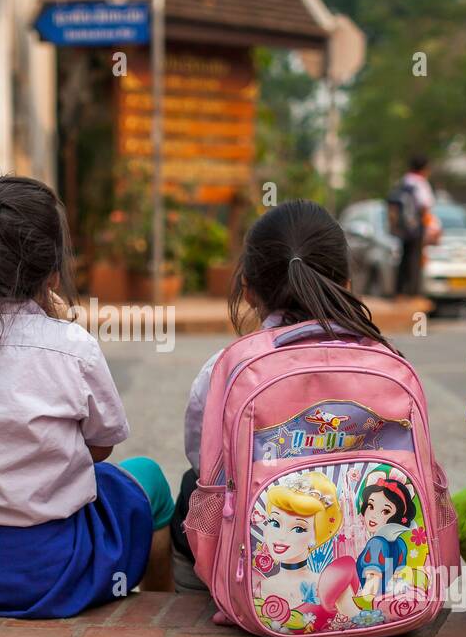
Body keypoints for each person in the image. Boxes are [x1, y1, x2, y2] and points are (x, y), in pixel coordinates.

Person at [0, 176, 174, 618]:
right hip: (54, 573)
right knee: (147, 477)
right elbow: (101, 447)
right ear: (53, 271)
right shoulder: (73, 347)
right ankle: (159, 606)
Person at [169, 200, 398, 590]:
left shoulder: (225, 369)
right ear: (346, 284)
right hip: (367, 557)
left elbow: (205, 464)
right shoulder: (386, 361)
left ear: (248, 291)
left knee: (192, 486)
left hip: (258, 559)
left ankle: (199, 594)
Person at [389, 154, 436, 297]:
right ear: (424, 168)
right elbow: (425, 205)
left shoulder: (403, 181)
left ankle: (399, 292)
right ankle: (413, 292)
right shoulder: (420, 183)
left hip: (403, 227)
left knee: (404, 258)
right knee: (415, 258)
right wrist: (429, 226)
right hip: (416, 226)